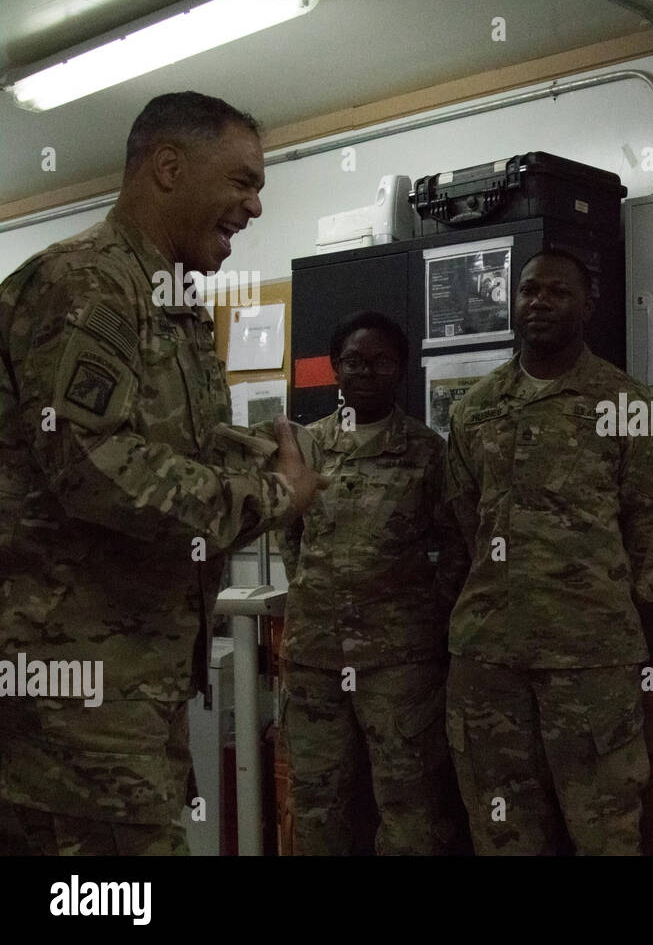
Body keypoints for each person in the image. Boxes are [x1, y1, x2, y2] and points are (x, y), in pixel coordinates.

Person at [0, 92, 327, 856]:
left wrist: (260, 453)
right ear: (170, 167)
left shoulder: (169, 302)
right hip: (75, 689)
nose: (254, 205)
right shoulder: (88, 284)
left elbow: (170, 447)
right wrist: (274, 493)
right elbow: (93, 464)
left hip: (133, 677)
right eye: (242, 182)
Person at [441, 248, 653, 854]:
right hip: (488, 654)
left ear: (589, 305)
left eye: (557, 292)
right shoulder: (476, 408)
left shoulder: (629, 407)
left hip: (590, 659)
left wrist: (608, 609)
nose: (539, 303)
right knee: (501, 826)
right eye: (527, 291)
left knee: (604, 827)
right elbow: (464, 519)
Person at [277, 311, 466, 855]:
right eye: (354, 361)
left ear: (400, 369)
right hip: (316, 656)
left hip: (399, 661)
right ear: (336, 368)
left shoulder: (428, 452)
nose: (365, 371)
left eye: (380, 361)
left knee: (409, 802)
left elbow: (455, 544)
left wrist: (426, 613)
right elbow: (289, 532)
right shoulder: (306, 447)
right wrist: (318, 590)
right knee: (316, 798)